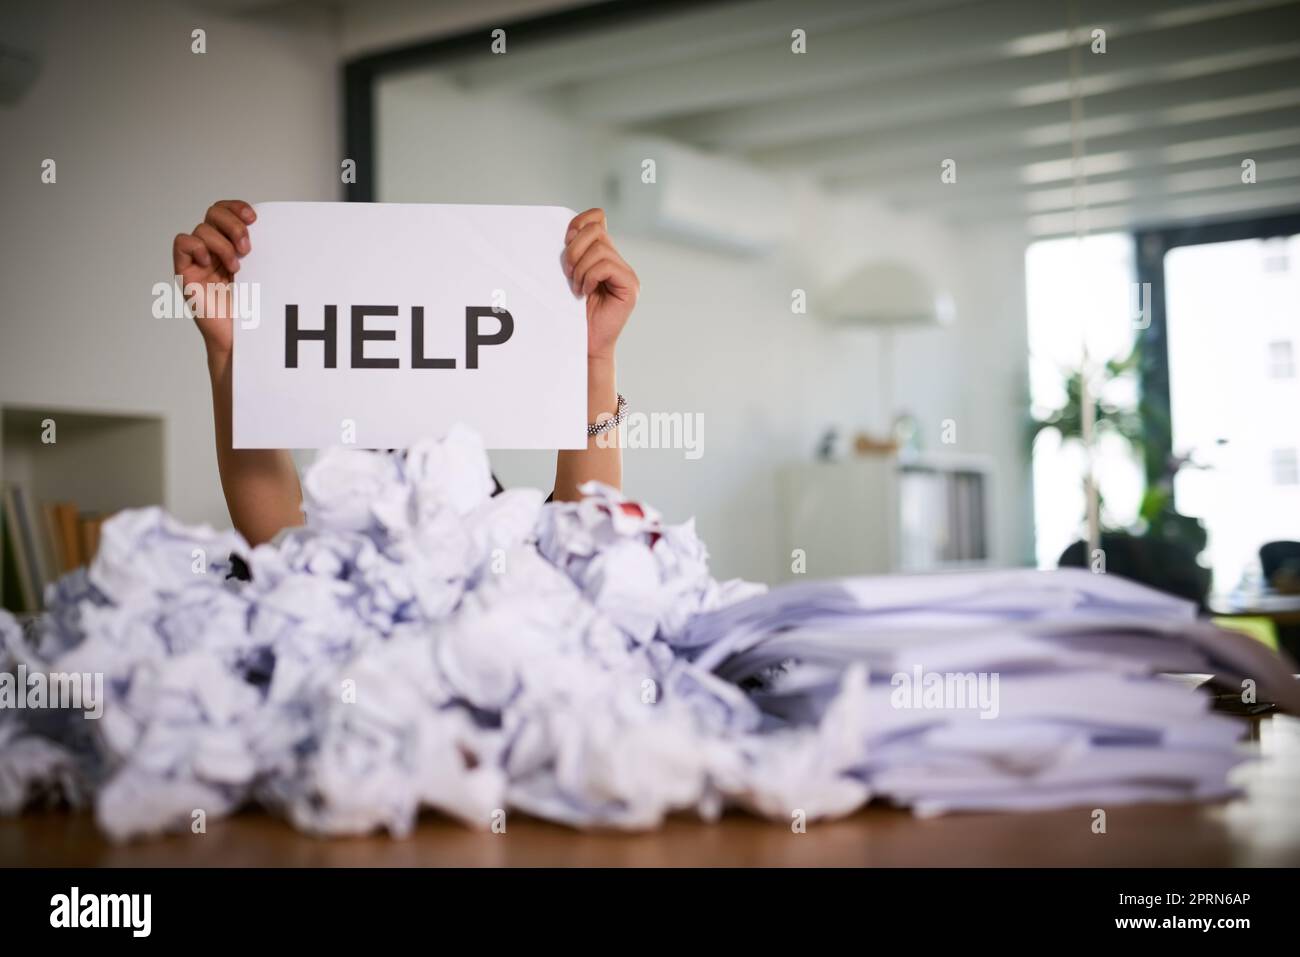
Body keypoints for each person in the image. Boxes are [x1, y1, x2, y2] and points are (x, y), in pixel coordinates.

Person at [173, 200, 638, 546]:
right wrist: (236, 352)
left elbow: (581, 540)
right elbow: (278, 544)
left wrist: (594, 358)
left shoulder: (513, 579)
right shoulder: (325, 583)